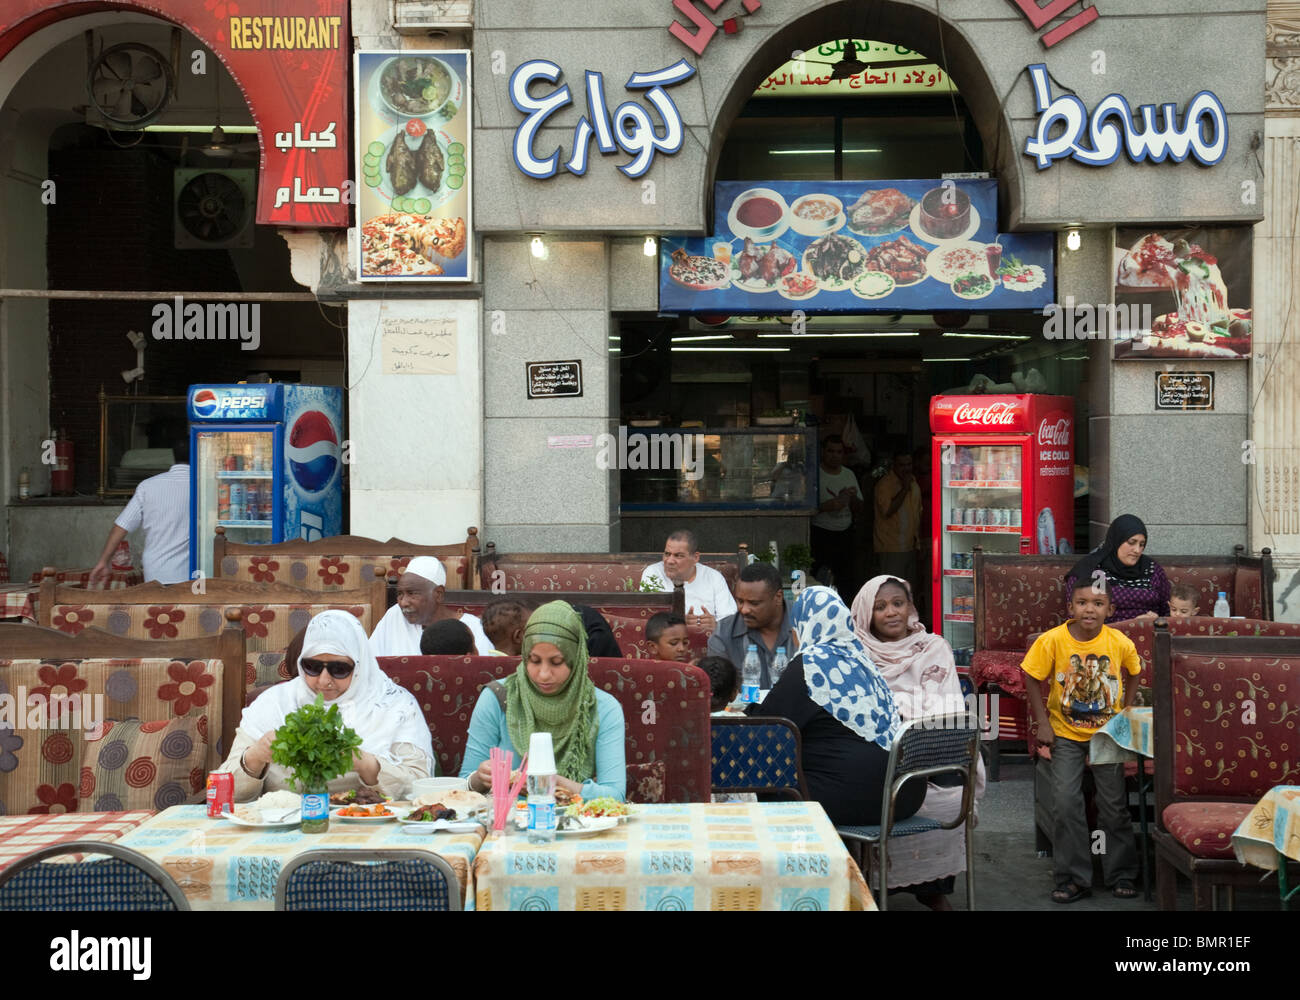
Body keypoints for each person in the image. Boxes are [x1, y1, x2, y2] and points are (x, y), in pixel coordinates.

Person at [851, 575, 986, 911]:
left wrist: (898, 710)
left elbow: (948, 709)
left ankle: (932, 889)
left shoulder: (933, 647)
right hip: (878, 758)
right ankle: (868, 887)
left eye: (898, 603)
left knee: (945, 791)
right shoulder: (854, 652)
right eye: (880, 607)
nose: (891, 613)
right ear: (866, 613)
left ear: (910, 606)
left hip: (933, 755)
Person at [216, 610, 435, 800]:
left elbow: (420, 788)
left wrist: (364, 764)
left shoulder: (395, 706)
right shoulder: (274, 703)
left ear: (360, 666)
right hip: (281, 828)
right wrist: (255, 756)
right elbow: (222, 792)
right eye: (312, 667)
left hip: (367, 827)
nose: (323, 680)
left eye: (339, 669)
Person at [755, 586, 917, 826]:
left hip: (856, 797)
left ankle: (797, 862)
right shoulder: (864, 661)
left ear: (802, 627)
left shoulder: (810, 664)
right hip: (904, 796)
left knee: (762, 789)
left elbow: (764, 726)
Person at [1022, 578, 1142, 902]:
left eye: (1098, 604)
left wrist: (1126, 711)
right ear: (1070, 607)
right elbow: (1031, 677)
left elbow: (1135, 670)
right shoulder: (1053, 641)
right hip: (1065, 733)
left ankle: (1121, 873)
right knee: (1065, 802)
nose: (1090, 609)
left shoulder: (1118, 642)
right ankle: (1073, 878)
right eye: (1082, 603)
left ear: (1110, 610)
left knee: (1113, 805)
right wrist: (1042, 722)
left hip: (1106, 735)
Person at [459, 601, 626, 801]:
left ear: (576, 658)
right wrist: (479, 779)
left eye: (556, 662)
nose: (544, 674)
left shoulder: (603, 708)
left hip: (578, 824)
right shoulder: (497, 697)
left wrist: (558, 785)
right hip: (508, 822)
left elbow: (615, 796)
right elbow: (465, 783)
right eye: (534, 661)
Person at [90, 432, 190, 585]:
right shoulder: (205, 485)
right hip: (194, 576)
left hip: (156, 572)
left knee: (159, 610)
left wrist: (104, 561)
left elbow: (122, 526)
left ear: (173, 456)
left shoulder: (147, 486)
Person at [369, 556, 492, 657]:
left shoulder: (475, 628)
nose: (403, 603)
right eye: (400, 594)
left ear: (438, 594)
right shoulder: (395, 615)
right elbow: (369, 664)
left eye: (412, 594)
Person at [1064, 514, 1170, 622]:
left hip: (1148, 633)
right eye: (1131, 542)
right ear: (1117, 540)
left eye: (1141, 544)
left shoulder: (1152, 569)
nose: (1137, 550)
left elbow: (1169, 610)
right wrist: (1131, 625)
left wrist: (1157, 620)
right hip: (1104, 635)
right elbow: (1077, 617)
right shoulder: (1089, 569)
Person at [707, 561, 796, 688]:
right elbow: (719, 690)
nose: (744, 610)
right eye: (740, 601)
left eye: (754, 603)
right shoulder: (723, 633)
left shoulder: (807, 624)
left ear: (778, 597)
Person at [640, 529, 737, 632]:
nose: (670, 561)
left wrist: (716, 624)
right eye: (667, 554)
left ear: (695, 557)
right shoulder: (653, 574)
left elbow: (731, 620)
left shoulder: (713, 577)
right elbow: (647, 617)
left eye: (678, 556)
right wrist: (679, 622)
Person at [810, 435, 864, 596]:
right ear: (823, 452)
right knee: (817, 577)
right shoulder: (815, 474)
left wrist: (851, 498)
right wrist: (828, 506)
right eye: (831, 451)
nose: (835, 455)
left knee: (846, 578)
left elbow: (860, 507)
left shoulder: (848, 474)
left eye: (839, 452)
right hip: (820, 533)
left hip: (844, 534)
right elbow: (806, 507)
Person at [873, 450, 923, 594]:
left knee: (908, 591)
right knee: (892, 592)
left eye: (909, 464)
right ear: (894, 465)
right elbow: (887, 511)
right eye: (902, 465)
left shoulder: (913, 482)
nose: (906, 468)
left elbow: (917, 513)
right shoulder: (885, 485)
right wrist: (904, 489)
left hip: (911, 546)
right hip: (891, 547)